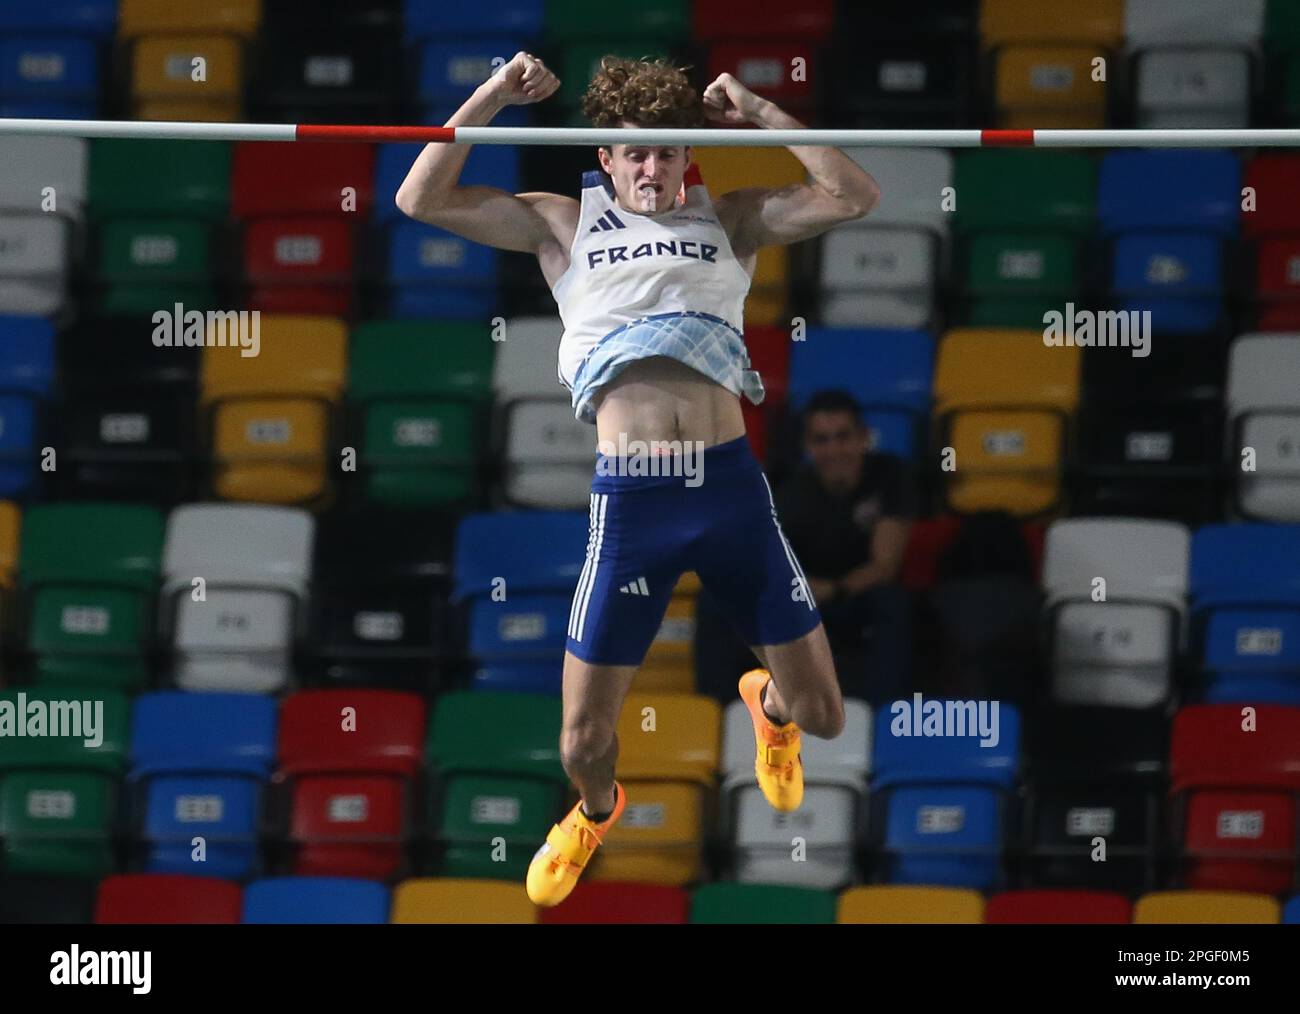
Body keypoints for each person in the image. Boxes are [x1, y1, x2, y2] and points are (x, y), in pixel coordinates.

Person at [396, 52, 880, 906]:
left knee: (826, 717)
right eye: (635, 154)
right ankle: (593, 811)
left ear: (686, 157)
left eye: (666, 152)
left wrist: (762, 113)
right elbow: (418, 199)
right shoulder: (562, 225)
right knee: (582, 741)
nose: (652, 168)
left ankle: (769, 709)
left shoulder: (729, 219)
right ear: (606, 162)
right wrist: (492, 97)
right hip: (634, 506)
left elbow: (853, 196)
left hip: (730, 492)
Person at [773, 390, 919, 704]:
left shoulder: (891, 475)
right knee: (719, 604)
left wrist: (836, 589)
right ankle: (718, 716)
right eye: (821, 440)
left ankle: (883, 716)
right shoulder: (789, 492)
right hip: (805, 602)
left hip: (858, 598)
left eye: (843, 437)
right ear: (808, 447)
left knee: (893, 603)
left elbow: (885, 565)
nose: (833, 449)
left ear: (864, 438)